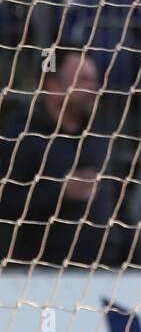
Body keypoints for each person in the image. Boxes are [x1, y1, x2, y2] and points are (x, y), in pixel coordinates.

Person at [0, 47, 123, 267]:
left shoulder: (99, 136)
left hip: (104, 271)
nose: (94, 88)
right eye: (84, 80)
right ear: (53, 87)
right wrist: (60, 192)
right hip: (40, 276)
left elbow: (119, 204)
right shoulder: (23, 136)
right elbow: (6, 202)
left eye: (95, 80)